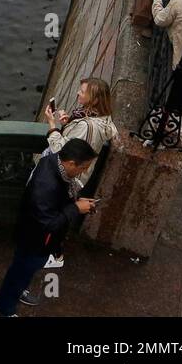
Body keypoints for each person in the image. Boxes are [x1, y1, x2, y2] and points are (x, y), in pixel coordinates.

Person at [0, 139, 98, 316]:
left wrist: (77, 204)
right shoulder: (46, 185)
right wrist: (75, 208)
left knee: (24, 270)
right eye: (83, 167)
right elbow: (48, 224)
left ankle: (18, 291)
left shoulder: (52, 161)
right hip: (35, 240)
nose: (84, 171)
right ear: (71, 163)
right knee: (21, 271)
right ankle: (4, 309)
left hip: (35, 237)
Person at [39, 78, 117, 271]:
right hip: (78, 178)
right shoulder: (98, 119)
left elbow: (65, 153)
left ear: (95, 99)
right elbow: (81, 141)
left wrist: (52, 126)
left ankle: (56, 254)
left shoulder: (87, 126)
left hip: (69, 178)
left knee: (59, 215)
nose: (78, 94)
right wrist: (69, 123)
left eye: (82, 92)